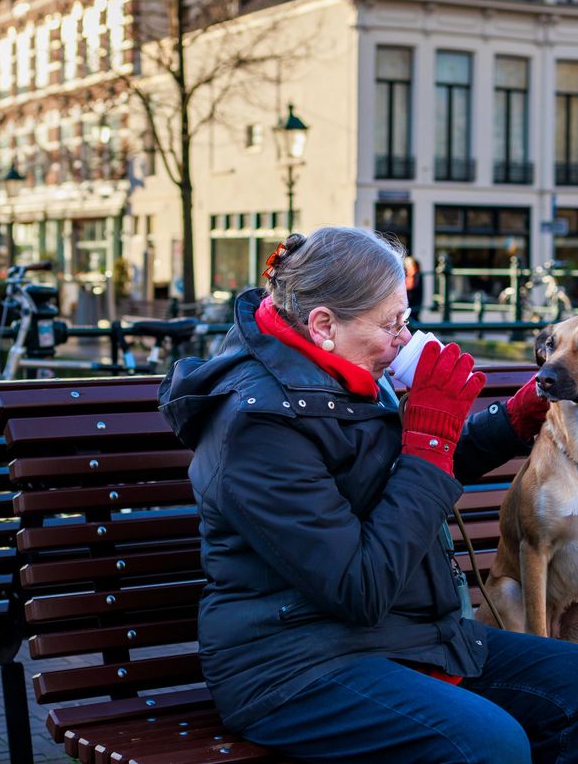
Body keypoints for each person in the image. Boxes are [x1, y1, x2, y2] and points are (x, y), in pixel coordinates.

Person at [158, 227, 575, 763]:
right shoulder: (257, 425)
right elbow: (360, 586)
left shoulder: (346, 372)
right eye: (391, 323)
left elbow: (390, 481)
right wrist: (429, 441)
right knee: (489, 744)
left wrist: (509, 420)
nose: (405, 338)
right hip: (293, 665)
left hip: (402, 636)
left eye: (406, 319)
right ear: (324, 325)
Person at [405, 254, 423, 323]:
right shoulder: (406, 275)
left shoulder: (417, 275)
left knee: (413, 319)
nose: (407, 266)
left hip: (414, 303)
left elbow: (413, 287)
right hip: (407, 302)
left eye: (409, 265)